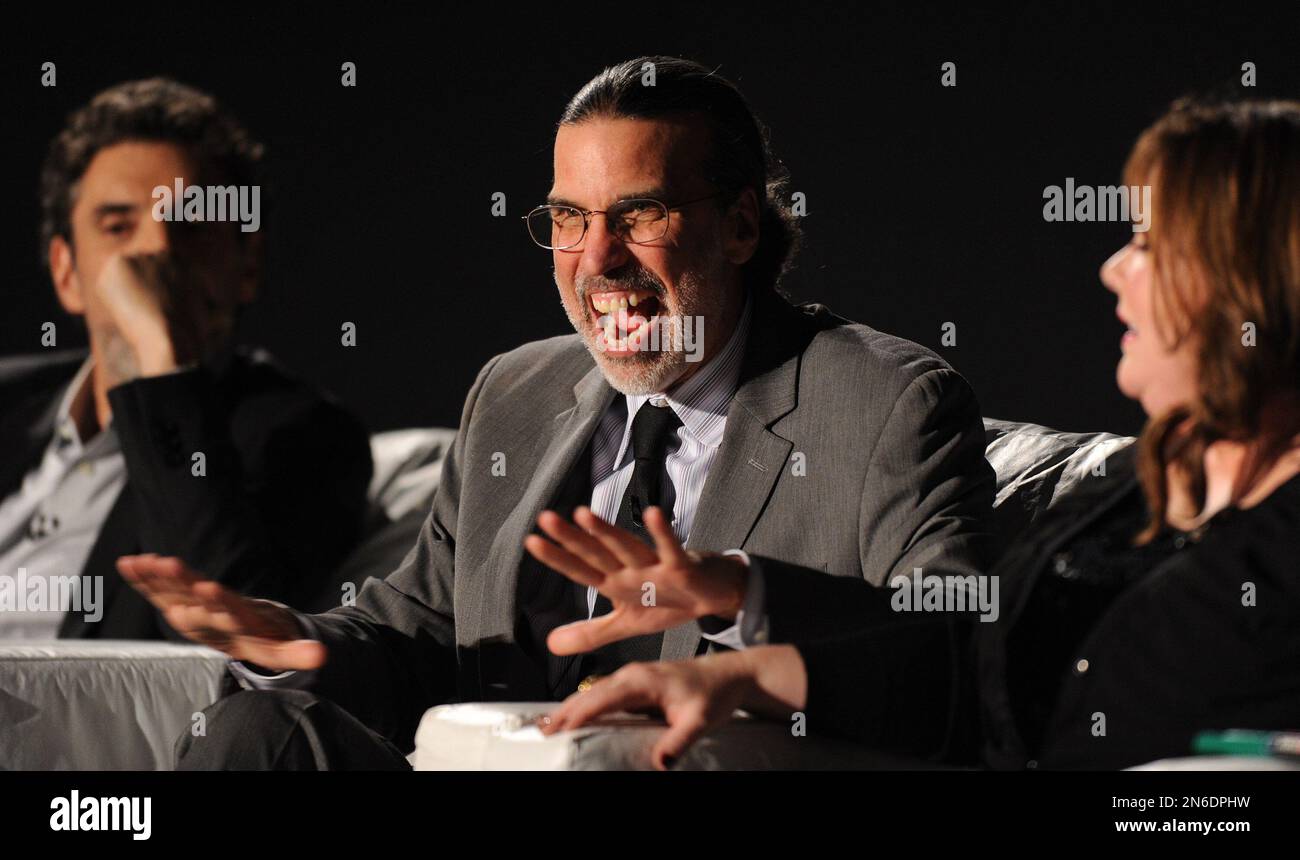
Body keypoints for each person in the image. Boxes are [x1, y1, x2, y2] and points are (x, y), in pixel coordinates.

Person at [120, 55, 995, 769]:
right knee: (254, 736)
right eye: (570, 220)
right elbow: (423, 634)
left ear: (739, 227)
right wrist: (298, 637)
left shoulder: (883, 403)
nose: (598, 259)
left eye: (638, 214)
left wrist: (741, 593)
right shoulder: (517, 392)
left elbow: (955, 646)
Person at [536, 97, 1300, 770]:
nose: (1111, 269)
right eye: (568, 217)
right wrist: (737, 628)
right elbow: (955, 669)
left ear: (1256, 280)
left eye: (1150, 245)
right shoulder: (1137, 491)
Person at [0, 78, 373, 639]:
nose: (156, 248)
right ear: (66, 272)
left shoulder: (304, 438)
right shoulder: (9, 398)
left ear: (247, 262)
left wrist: (160, 359)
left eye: (191, 224)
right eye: (118, 226)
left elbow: (226, 644)